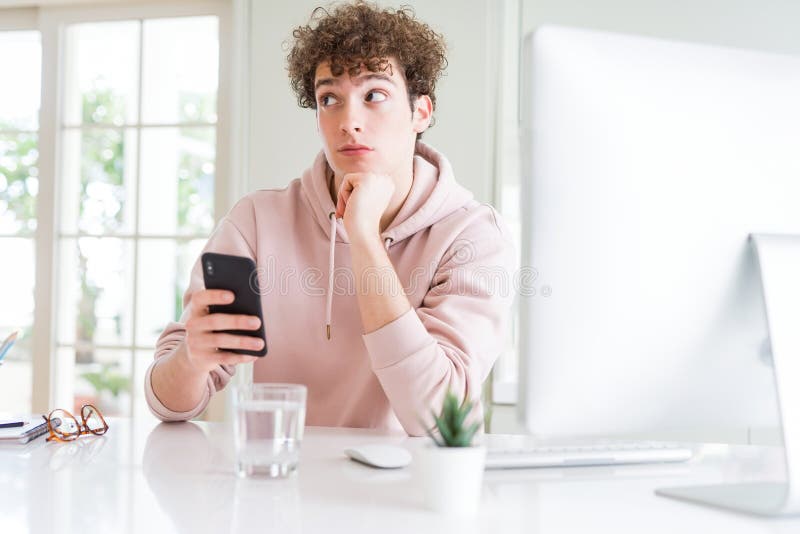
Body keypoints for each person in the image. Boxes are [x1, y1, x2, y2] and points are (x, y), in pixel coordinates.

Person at [145, 1, 515, 436]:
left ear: (421, 112)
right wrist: (191, 359)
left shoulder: (473, 236)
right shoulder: (257, 222)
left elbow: (438, 416)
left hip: (412, 493)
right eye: (329, 99)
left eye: (374, 95)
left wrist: (364, 239)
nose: (348, 121)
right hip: (283, 489)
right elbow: (167, 405)